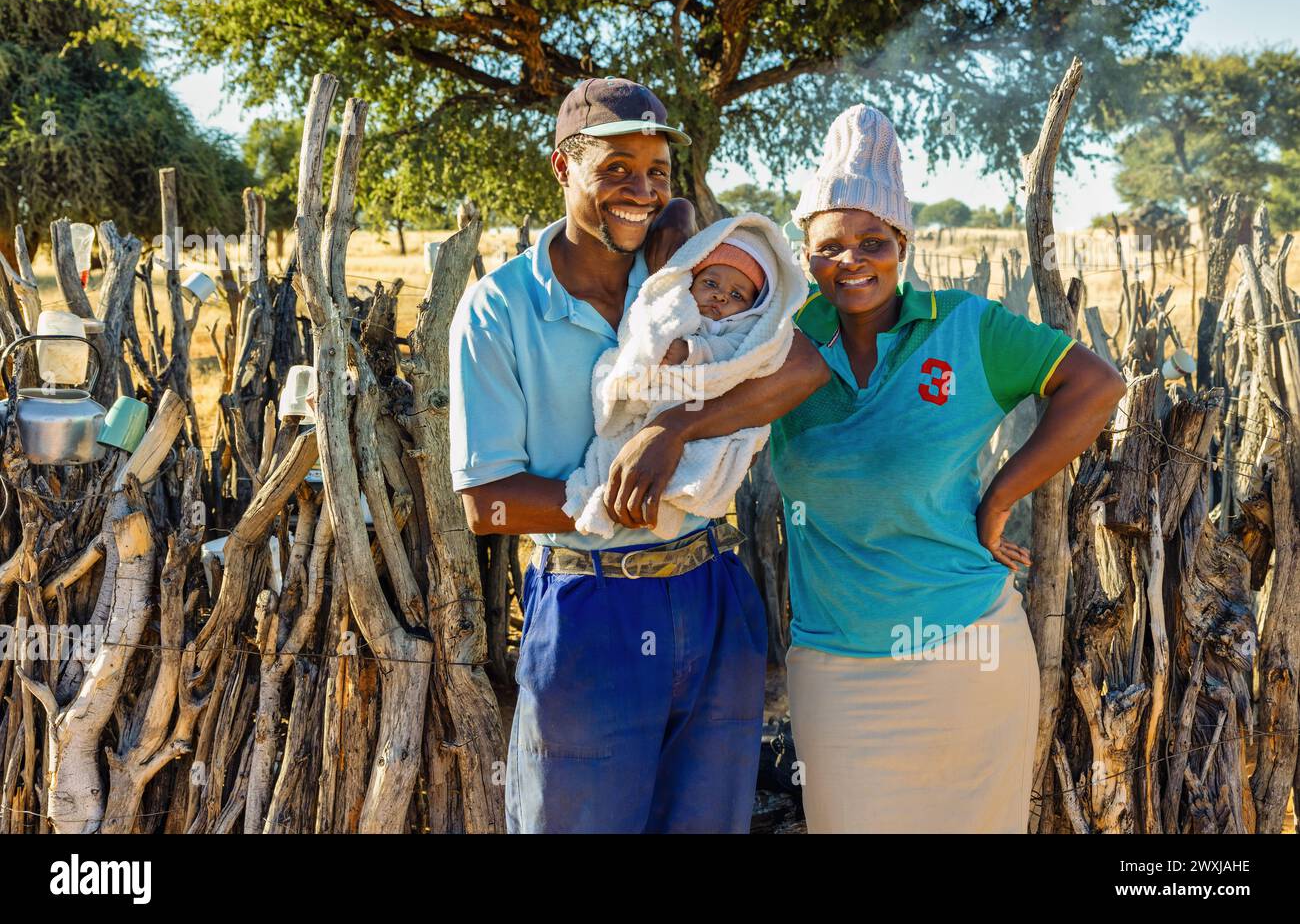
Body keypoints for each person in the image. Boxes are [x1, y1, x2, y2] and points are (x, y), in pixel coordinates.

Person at [448, 77, 823, 833]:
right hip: (593, 606)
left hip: (713, 590)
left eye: (656, 172)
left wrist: (672, 430)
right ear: (563, 167)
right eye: (616, 167)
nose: (641, 189)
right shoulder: (500, 308)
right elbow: (485, 503)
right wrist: (610, 494)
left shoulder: (689, 272)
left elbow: (802, 365)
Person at [763, 103, 1128, 832]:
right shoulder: (781, 340)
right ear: (806, 255)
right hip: (836, 666)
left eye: (874, 241)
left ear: (902, 243)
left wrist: (1001, 495)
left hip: (970, 654)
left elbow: (1097, 385)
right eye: (831, 246)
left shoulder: (965, 327)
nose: (853, 260)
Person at [562, 213, 807, 541]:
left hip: (704, 406)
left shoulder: (745, 330)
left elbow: (733, 358)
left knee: (696, 459)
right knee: (613, 449)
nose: (721, 296)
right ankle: (594, 495)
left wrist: (689, 352)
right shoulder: (681, 309)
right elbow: (645, 330)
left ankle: (662, 499)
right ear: (692, 278)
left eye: (738, 295)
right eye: (711, 283)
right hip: (653, 402)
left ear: (755, 306)